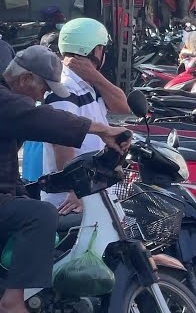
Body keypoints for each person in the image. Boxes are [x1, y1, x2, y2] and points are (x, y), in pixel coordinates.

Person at [0, 46, 132, 313]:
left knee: (31, 205)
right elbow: (42, 119)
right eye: (41, 89)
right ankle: (13, 301)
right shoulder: (6, 102)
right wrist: (104, 130)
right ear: (25, 80)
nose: (42, 97)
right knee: (40, 214)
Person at [44, 18, 131, 214]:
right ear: (96, 50)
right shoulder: (64, 88)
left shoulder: (88, 83)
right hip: (72, 200)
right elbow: (62, 144)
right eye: (102, 48)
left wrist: (95, 76)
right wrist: (77, 190)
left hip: (91, 189)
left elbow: (122, 106)